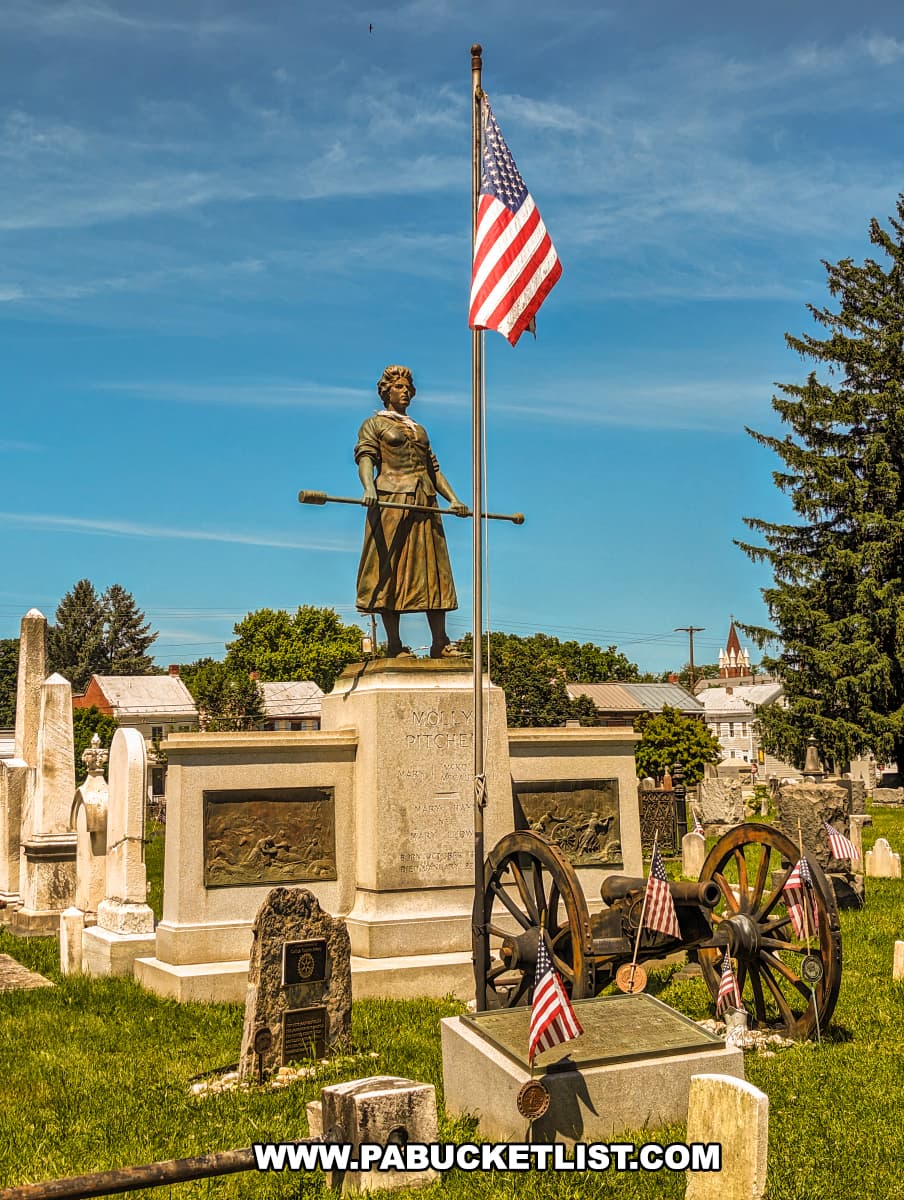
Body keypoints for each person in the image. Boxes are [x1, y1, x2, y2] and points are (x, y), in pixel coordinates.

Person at [355, 365, 467, 657]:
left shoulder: (419, 429)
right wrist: (369, 488)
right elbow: (366, 458)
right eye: (399, 387)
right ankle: (394, 644)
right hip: (391, 500)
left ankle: (439, 642)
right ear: (386, 391)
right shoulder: (374, 424)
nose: (405, 392)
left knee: (435, 573)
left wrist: (453, 499)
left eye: (408, 388)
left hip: (425, 502)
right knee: (388, 570)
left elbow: (434, 470)